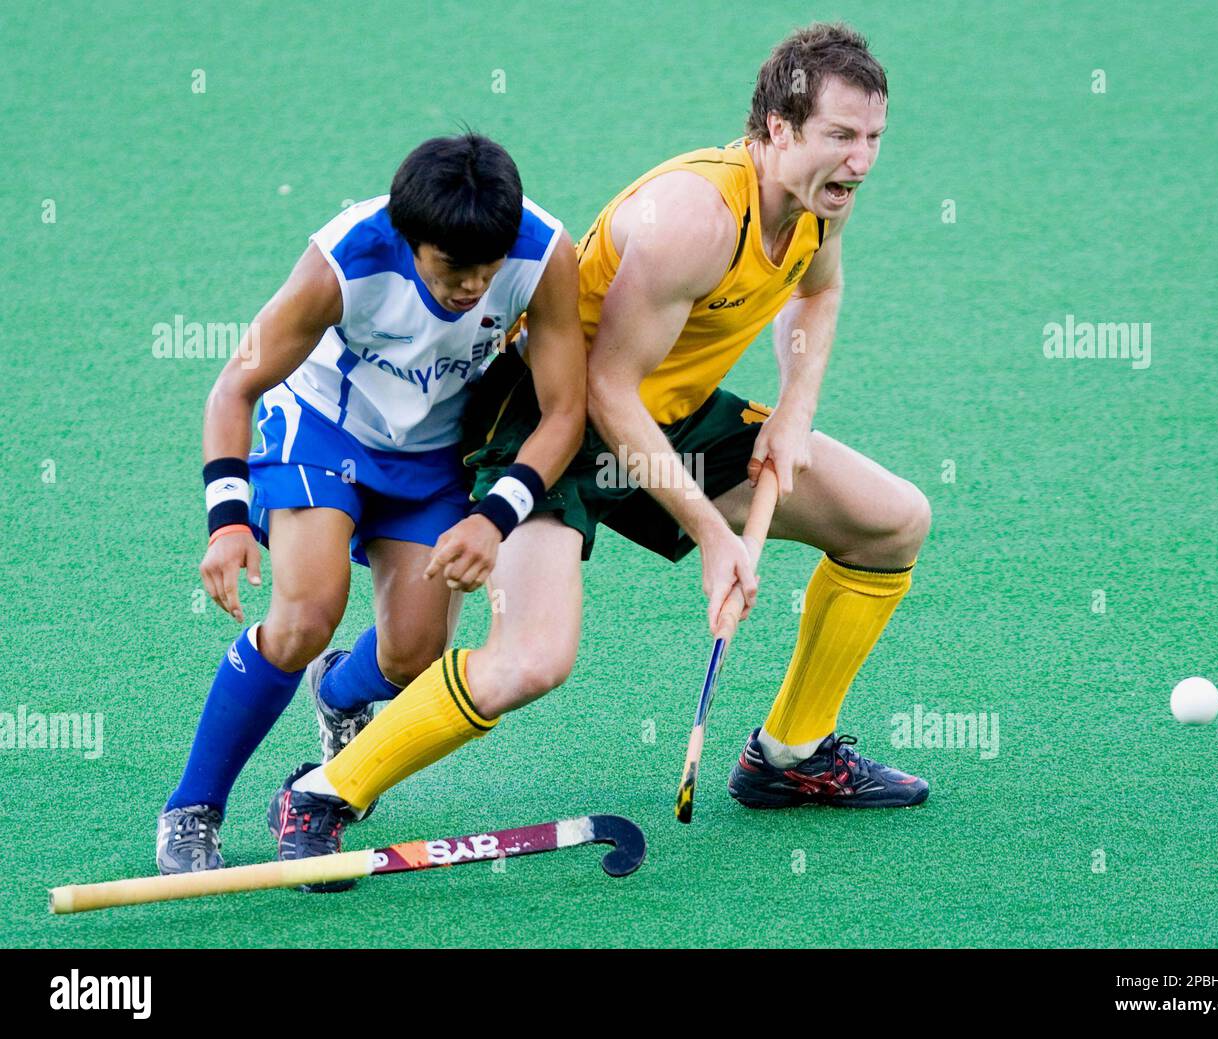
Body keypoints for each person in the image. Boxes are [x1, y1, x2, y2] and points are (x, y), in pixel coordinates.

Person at [273, 23, 929, 881]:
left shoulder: (819, 198)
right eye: (842, 136)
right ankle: (323, 792)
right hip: (556, 424)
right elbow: (607, 392)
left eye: (874, 137)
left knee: (893, 522)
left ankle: (790, 752)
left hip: (674, 415)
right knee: (533, 659)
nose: (862, 160)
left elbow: (819, 290)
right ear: (778, 129)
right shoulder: (690, 220)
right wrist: (711, 533)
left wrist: (794, 411)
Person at [156, 133, 584, 875]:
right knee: (303, 619)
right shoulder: (344, 259)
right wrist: (226, 519)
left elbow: (564, 411)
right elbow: (235, 385)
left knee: (415, 655)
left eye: (487, 269)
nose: (472, 288)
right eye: (453, 268)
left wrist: (495, 516)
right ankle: (193, 806)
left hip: (433, 456)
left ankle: (338, 690)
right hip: (322, 432)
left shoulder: (543, 255)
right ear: (409, 237)